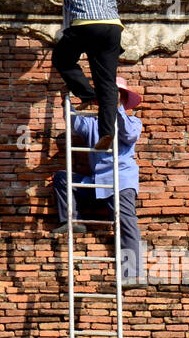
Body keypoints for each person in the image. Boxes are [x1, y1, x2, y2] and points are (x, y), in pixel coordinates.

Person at [51, 76, 144, 283]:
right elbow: (73, 121)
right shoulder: (93, 124)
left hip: (121, 182)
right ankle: (72, 220)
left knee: (126, 224)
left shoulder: (132, 122)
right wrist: (65, 96)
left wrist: (114, 106)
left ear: (121, 98)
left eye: (114, 95)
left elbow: (128, 135)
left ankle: (133, 274)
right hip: (97, 182)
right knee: (62, 179)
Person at [47, 0, 130, 152]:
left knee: (63, 59)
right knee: (107, 82)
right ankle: (107, 133)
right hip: (112, 27)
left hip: (85, 25)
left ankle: (87, 94)